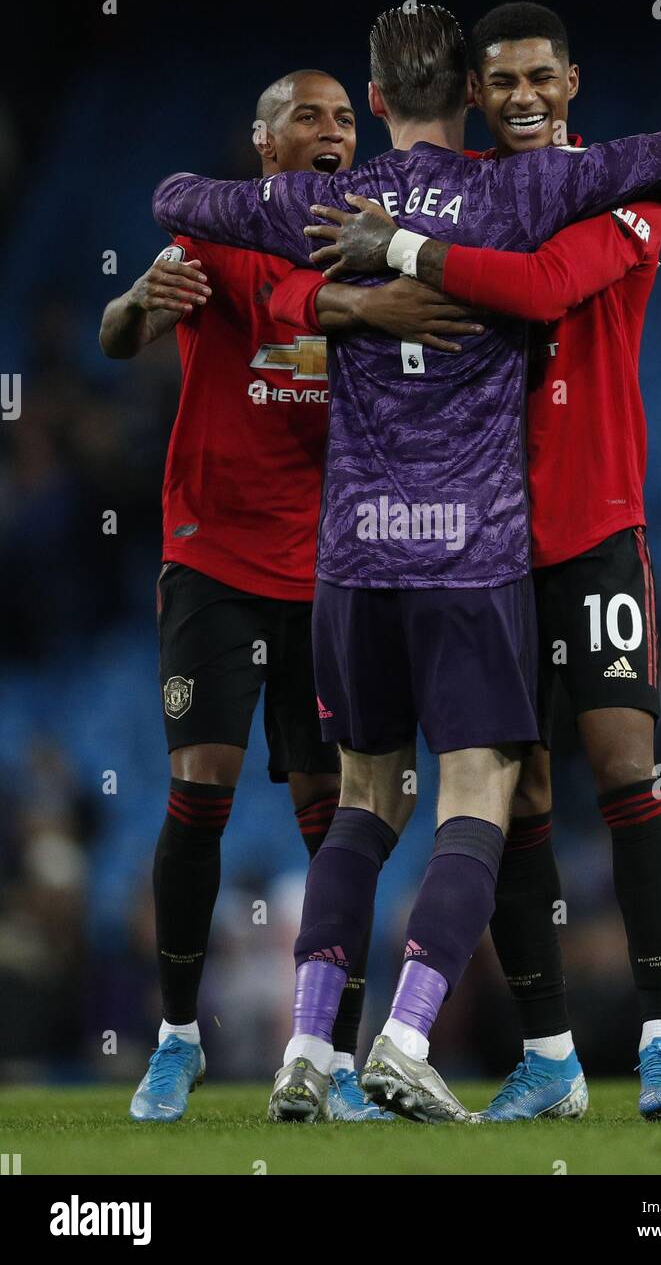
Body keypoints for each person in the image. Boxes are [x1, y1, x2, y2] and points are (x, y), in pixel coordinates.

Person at [152, 2, 661, 1123]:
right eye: (498, 81)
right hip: (478, 554)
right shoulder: (525, 192)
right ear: (467, 92)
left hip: (360, 556)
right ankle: (424, 1034)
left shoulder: (326, 201)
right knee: (488, 791)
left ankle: (309, 1049)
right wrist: (359, 286)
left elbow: (179, 198)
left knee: (374, 801)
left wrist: (351, 281)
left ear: (371, 102)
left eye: (538, 80)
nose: (518, 99)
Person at [100, 68, 481, 1124]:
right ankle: (177, 1038)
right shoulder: (213, 243)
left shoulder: (362, 243)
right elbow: (115, 334)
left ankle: (336, 1057)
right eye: (307, 116)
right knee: (202, 788)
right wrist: (140, 300)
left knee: (341, 813)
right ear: (265, 144)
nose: (330, 131)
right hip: (214, 556)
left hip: (330, 569)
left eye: (344, 119)